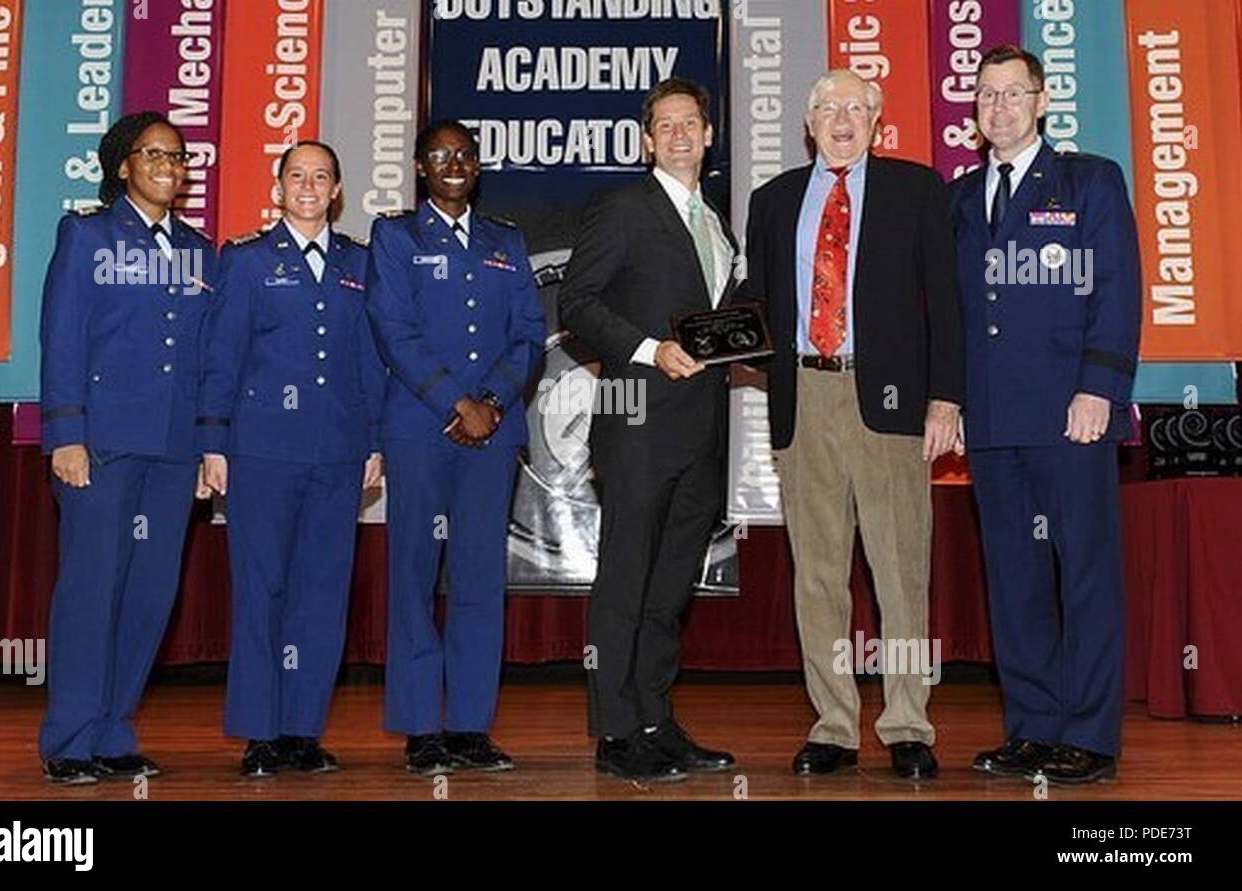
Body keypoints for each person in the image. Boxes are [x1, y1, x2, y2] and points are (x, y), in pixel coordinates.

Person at [742, 70, 964, 780]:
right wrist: (701, 334)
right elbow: (754, 298)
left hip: (892, 402)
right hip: (803, 398)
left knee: (901, 573)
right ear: (808, 121)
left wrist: (946, 398)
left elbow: (948, 302)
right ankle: (833, 723)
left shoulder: (917, 188)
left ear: (878, 120)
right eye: (829, 108)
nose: (843, 119)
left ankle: (906, 723)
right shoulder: (772, 201)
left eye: (858, 108)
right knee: (818, 576)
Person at [951, 45, 1140, 784]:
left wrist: (1100, 387)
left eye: (1012, 93)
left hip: (1072, 415)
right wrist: (950, 399)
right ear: (974, 109)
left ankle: (1090, 734)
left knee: (1086, 572)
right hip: (993, 420)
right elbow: (963, 312)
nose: (998, 107)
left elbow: (1118, 289)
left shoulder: (1090, 180)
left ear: (1041, 101)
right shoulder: (961, 198)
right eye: (986, 95)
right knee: (1016, 575)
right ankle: (1031, 726)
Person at [558, 78, 740, 783]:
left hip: (703, 432)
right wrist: (646, 349)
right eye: (664, 125)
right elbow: (577, 300)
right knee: (626, 579)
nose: (679, 135)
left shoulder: (718, 221)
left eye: (689, 123)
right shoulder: (622, 208)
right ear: (645, 140)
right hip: (636, 423)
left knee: (670, 587)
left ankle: (656, 718)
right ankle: (615, 731)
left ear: (709, 135)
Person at [38, 111, 217, 784]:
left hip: (173, 450)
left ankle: (114, 729)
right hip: (102, 445)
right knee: (93, 588)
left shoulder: (202, 249)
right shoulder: (86, 235)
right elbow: (62, 336)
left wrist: (208, 446)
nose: (170, 166)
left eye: (178, 156)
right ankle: (70, 738)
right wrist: (66, 432)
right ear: (122, 166)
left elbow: (206, 358)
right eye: (153, 154)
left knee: (150, 591)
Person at [198, 141, 386, 777]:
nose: (309, 186)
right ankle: (260, 732)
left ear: (337, 190)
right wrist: (213, 442)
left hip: (337, 454)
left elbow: (370, 361)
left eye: (321, 177)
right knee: (261, 589)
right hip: (260, 452)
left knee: (322, 593)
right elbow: (223, 356)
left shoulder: (359, 263)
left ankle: (302, 730)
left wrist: (375, 441)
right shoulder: (247, 261)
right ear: (278, 189)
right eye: (297, 176)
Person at [368, 120, 545, 775]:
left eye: (465, 154)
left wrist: (493, 401)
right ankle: (421, 725)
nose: (453, 163)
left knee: (479, 578)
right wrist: (455, 402)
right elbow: (392, 327)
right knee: (413, 574)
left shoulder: (506, 240)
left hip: (491, 434)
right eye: (440, 154)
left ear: (478, 164)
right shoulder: (396, 236)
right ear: (420, 166)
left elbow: (529, 333)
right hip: (421, 428)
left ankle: (470, 723)